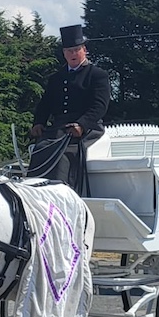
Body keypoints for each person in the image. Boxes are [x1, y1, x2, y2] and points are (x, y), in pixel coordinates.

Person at [27, 24, 110, 192]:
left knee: (62, 153)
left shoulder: (97, 75)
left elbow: (99, 106)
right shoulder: (56, 78)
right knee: (41, 148)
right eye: (69, 50)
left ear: (84, 50)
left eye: (76, 50)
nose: (73, 54)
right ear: (64, 53)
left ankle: (63, 192)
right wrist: (38, 122)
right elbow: (46, 103)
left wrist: (82, 124)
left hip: (87, 126)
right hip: (59, 127)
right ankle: (35, 191)